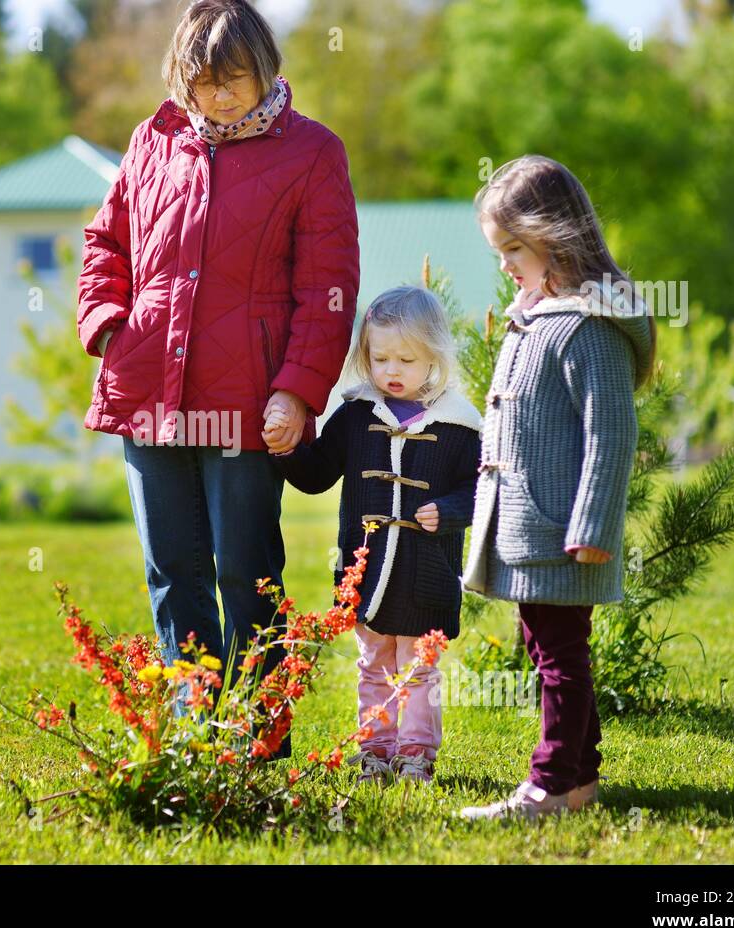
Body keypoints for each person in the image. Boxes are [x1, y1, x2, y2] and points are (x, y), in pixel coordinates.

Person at [75, 1, 360, 756]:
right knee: (173, 572)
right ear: (184, 80)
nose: (221, 96)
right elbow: (107, 239)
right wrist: (109, 324)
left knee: (245, 571)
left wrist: (297, 390)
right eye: (204, 82)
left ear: (265, 69)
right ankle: (195, 732)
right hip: (149, 396)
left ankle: (258, 737)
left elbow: (327, 289)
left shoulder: (313, 153)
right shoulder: (153, 139)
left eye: (235, 78)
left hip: (247, 403)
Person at [458, 155, 656, 820]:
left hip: (563, 532)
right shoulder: (541, 314)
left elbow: (612, 432)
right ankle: (578, 781)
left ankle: (548, 784)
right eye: (500, 252)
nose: (506, 265)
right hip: (529, 526)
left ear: (556, 236)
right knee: (552, 651)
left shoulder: (589, 325)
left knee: (560, 659)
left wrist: (594, 526)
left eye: (514, 248)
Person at [267, 286, 481, 785]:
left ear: (435, 355)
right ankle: (376, 750)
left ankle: (416, 754)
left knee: (417, 666)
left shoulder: (458, 426)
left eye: (406, 358)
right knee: (373, 663)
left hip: (426, 572)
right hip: (366, 567)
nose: (392, 370)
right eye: (380, 357)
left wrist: (448, 510)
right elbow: (318, 474)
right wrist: (287, 447)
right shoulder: (357, 415)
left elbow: (482, 490)